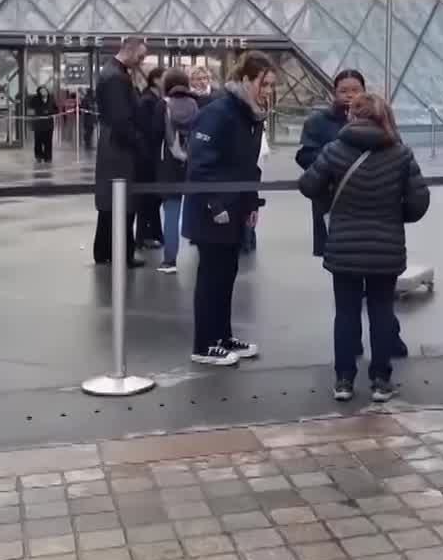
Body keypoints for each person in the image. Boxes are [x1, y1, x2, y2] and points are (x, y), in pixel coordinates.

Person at [297, 92, 430, 402]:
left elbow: (307, 186)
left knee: (345, 314)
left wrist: (332, 200)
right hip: (387, 247)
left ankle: (344, 380)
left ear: (351, 115)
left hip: (343, 246)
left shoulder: (334, 150)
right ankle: (381, 380)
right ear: (385, 117)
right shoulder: (401, 154)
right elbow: (419, 202)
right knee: (382, 312)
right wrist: (396, 216)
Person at [183, 51, 275, 366]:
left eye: (271, 86)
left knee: (226, 273)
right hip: (214, 209)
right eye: (264, 84)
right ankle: (204, 343)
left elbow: (249, 167)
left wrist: (251, 203)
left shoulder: (251, 114)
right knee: (211, 275)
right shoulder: (219, 112)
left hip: (235, 207)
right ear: (246, 79)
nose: (267, 91)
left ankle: (221, 335)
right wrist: (215, 205)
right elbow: (200, 164)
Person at [297, 70, 366, 264]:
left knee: (366, 252)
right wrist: (334, 161)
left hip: (366, 196)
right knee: (338, 257)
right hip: (330, 197)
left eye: (355, 90)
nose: (350, 95)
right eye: (344, 90)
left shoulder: (376, 119)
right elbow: (304, 156)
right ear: (334, 93)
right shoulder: (317, 121)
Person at [92, 36, 147, 265]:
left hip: (112, 143)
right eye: (141, 56)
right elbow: (121, 118)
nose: (142, 62)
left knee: (110, 201)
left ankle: (104, 249)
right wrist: (139, 143)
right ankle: (121, 252)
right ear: (130, 50)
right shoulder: (117, 77)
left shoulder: (112, 72)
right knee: (122, 201)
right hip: (119, 146)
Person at [156, 69, 200, 274]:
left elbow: (157, 135)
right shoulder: (195, 105)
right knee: (197, 210)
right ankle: (202, 255)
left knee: (171, 214)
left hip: (169, 164)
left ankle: (169, 261)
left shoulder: (163, 105)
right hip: (192, 164)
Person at [135, 67, 167, 248]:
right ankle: (145, 235)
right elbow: (149, 130)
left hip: (152, 155)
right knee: (148, 198)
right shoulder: (148, 101)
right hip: (148, 156)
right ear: (155, 80)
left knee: (153, 197)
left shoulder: (155, 99)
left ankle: (153, 233)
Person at [28, 86, 57, 163]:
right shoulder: (35, 99)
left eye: (45, 90)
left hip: (49, 124)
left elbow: (56, 109)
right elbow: (31, 109)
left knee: (48, 141)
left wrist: (51, 112)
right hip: (39, 125)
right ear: (39, 92)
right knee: (38, 141)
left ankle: (48, 157)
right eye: (42, 91)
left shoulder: (51, 99)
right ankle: (39, 156)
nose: (44, 92)